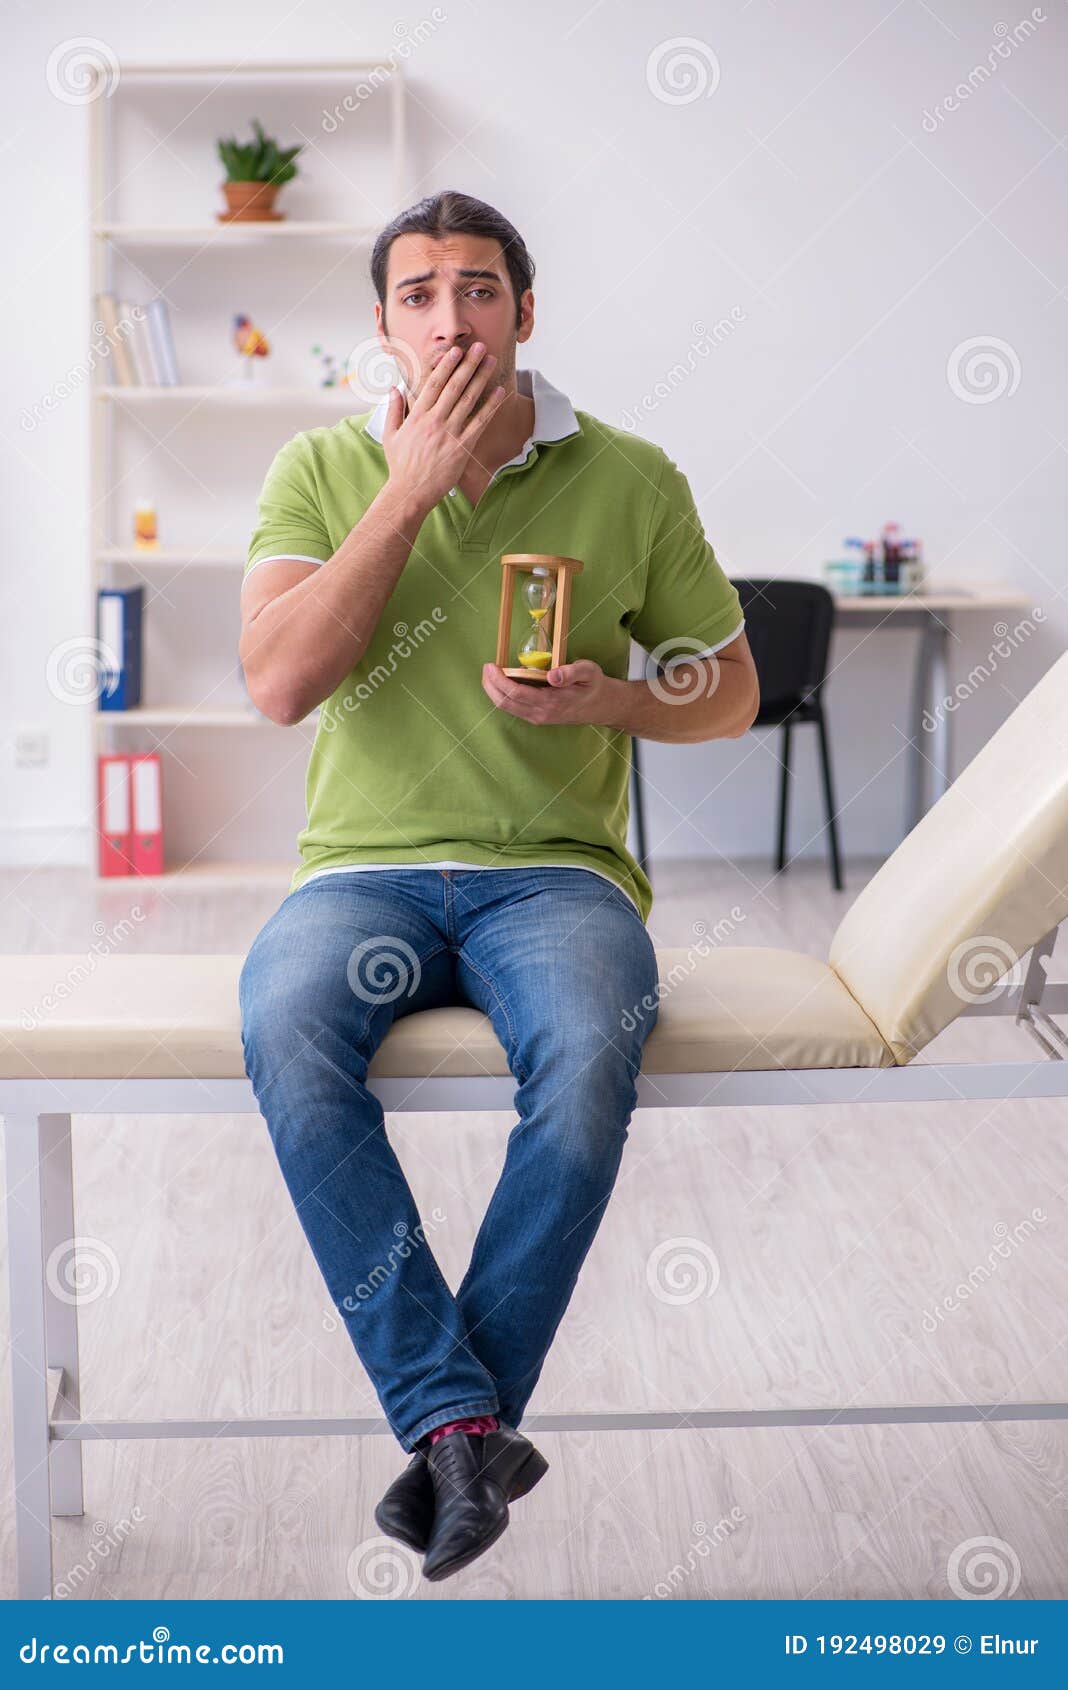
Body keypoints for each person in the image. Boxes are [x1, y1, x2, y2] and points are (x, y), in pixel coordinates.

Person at [237, 190, 759, 1583]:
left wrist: (614, 697)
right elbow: (281, 683)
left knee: (590, 1049)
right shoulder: (315, 469)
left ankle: (449, 1424)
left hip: (556, 882)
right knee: (286, 1027)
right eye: (419, 295)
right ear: (385, 327)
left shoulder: (633, 477)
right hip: (368, 877)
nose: (451, 318)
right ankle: (465, 1424)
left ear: (527, 312)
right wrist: (407, 486)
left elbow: (731, 690)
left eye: (478, 290)